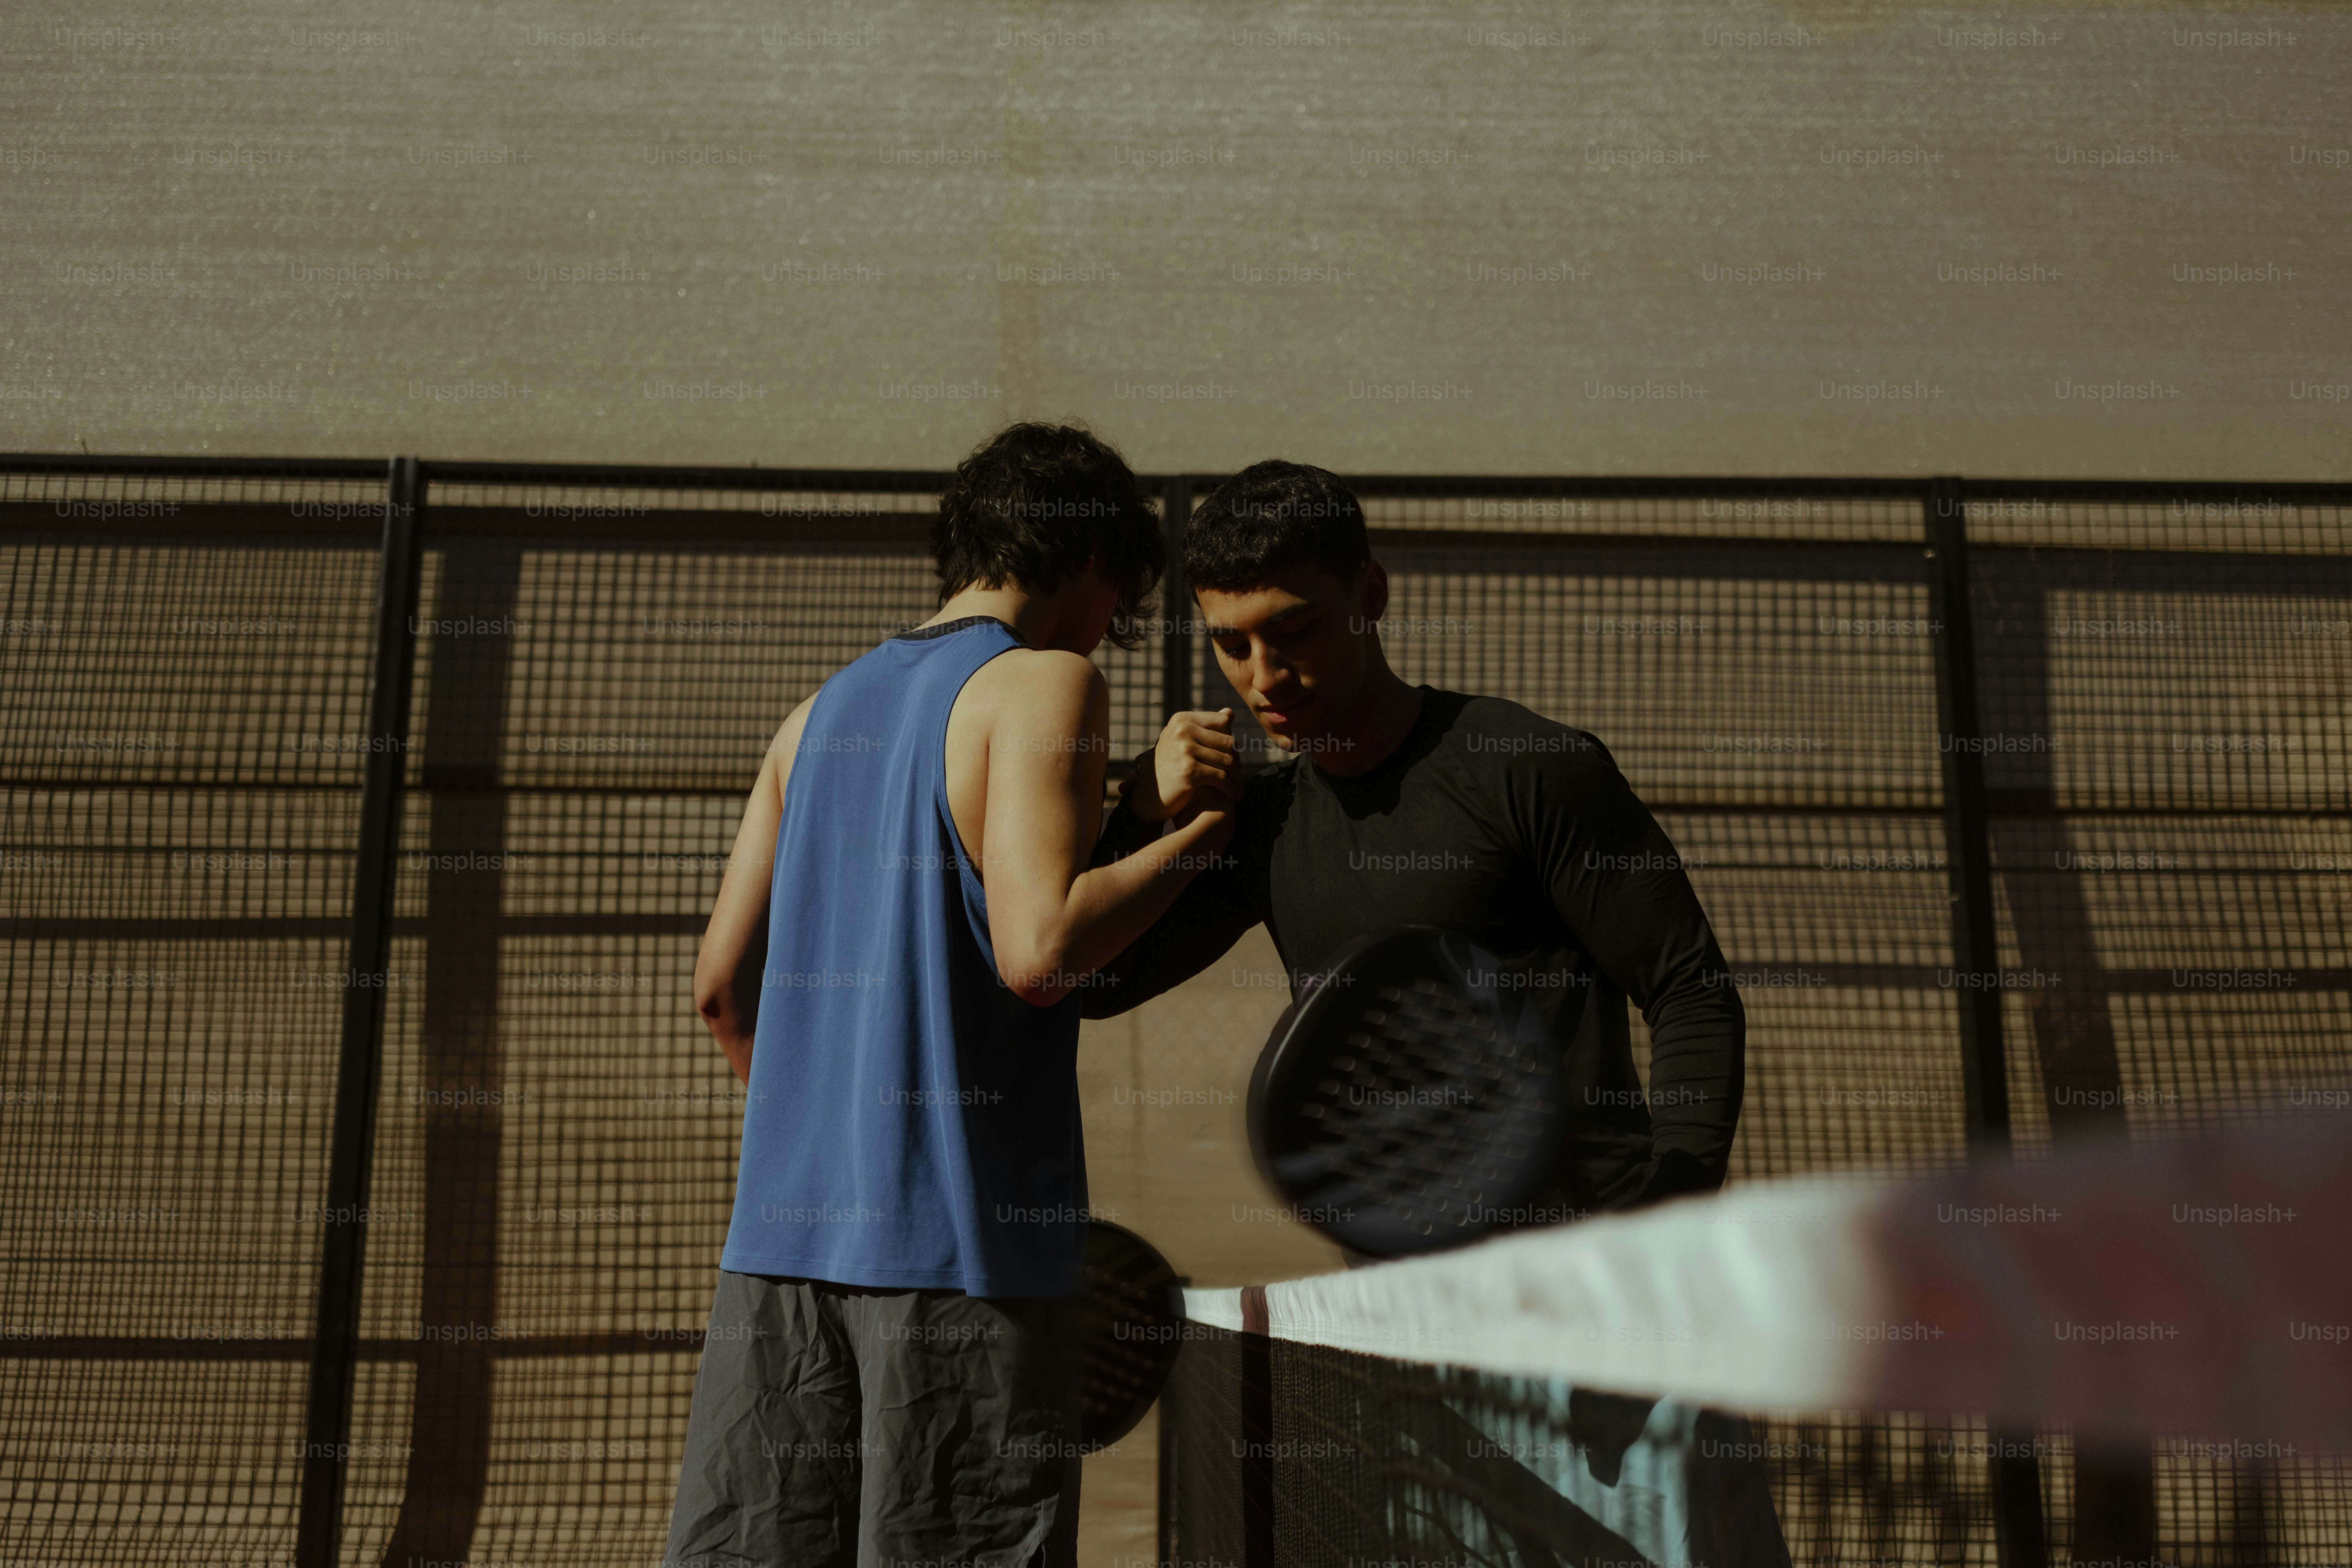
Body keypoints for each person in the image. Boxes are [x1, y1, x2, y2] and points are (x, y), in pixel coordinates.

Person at [1085, 458, 1789, 1566]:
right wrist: (1138, 812)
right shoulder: (1262, 826)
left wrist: (1663, 1239)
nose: (1264, 677)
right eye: (1231, 644)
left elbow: (1691, 991)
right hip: (1427, 1344)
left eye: (1295, 631)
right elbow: (1087, 980)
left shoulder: (1525, 767)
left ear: (1370, 595)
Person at [664, 422, 1233, 1568]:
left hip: (777, 1261)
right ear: (1092, 560)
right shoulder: (1049, 682)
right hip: (964, 1262)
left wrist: (840, 1143)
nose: (1106, 633)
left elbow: (720, 990)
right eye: (1115, 603)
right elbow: (1040, 951)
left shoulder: (813, 718)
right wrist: (1204, 838)